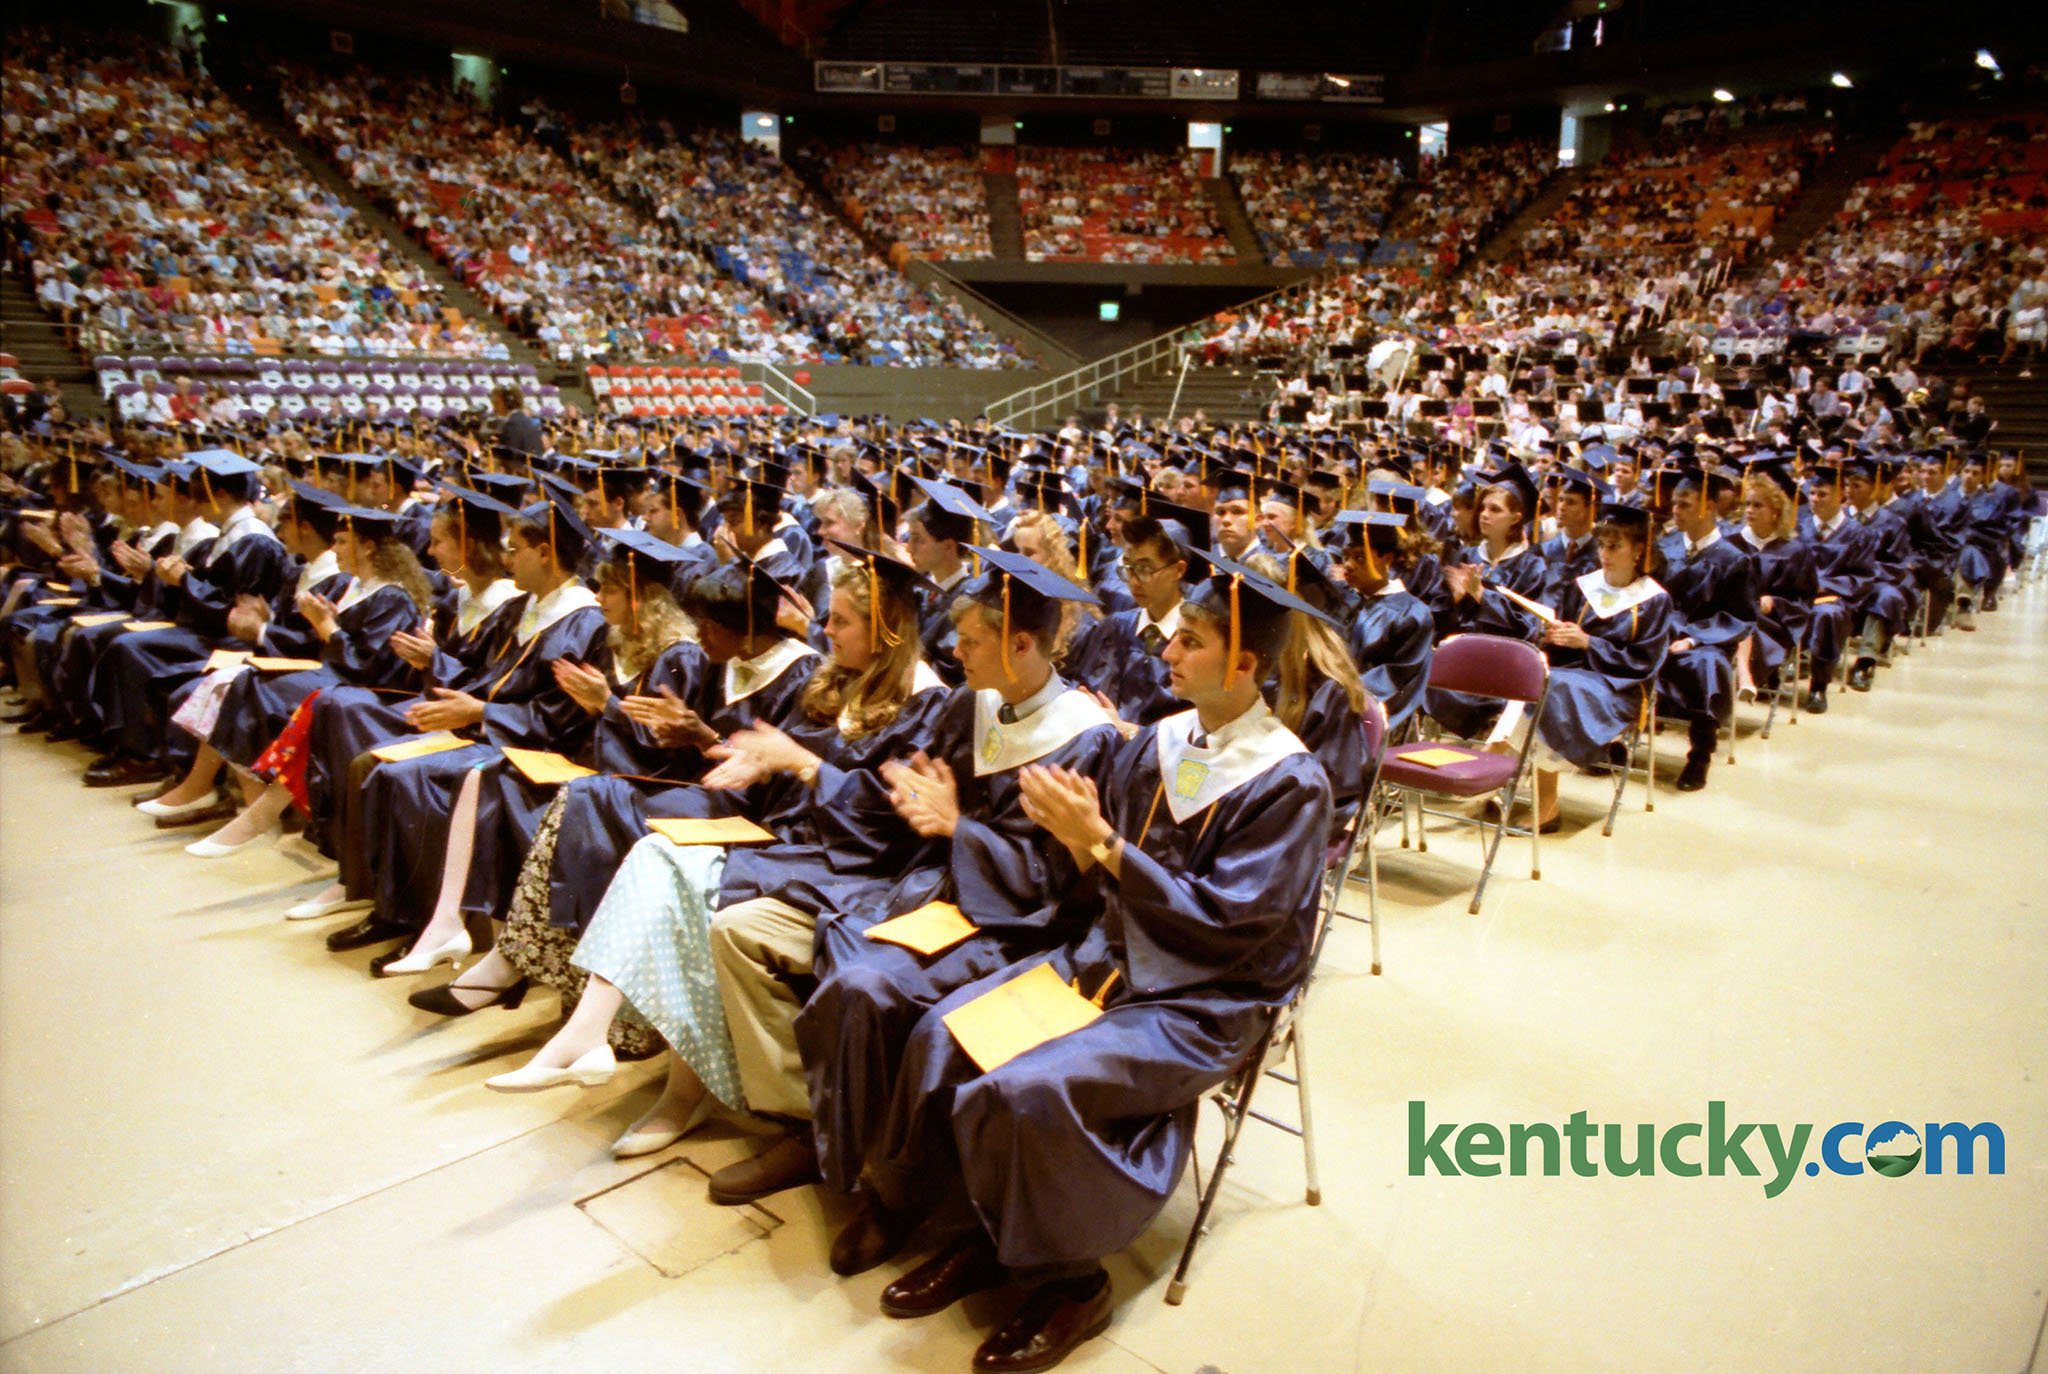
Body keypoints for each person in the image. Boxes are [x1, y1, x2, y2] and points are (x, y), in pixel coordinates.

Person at [822, 557, 1334, 1374]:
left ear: (1246, 664)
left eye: (1191, 643)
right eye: (1174, 640)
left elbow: (1230, 925)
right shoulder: (1161, 740)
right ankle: (965, 1224)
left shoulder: (1290, 781)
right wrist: (1078, 843)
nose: (1167, 655)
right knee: (943, 1033)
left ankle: (1068, 1282)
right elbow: (1095, 870)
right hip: (1107, 954)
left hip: (1203, 1001)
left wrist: (1101, 844)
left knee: (1027, 1089)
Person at [1517, 502, 1673, 831]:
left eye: (1615, 546)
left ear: (1638, 550)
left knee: (1551, 688)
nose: (1604, 552)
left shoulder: (1654, 599)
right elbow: (1563, 639)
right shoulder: (1585, 586)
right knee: (1538, 681)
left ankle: (1531, 794)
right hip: (1572, 677)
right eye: (1602, 544)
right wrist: (1552, 634)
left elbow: (1645, 662)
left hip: (1619, 689)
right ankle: (1525, 791)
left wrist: (1589, 643)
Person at [1655, 468, 1757, 793]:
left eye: (1685, 504)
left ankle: (1700, 753)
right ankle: (1615, 736)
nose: (1675, 511)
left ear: (1708, 507)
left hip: (1708, 641)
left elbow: (1738, 616)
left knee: (1706, 665)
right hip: (1663, 635)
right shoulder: (1664, 547)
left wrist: (1692, 638)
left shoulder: (1735, 558)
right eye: (1674, 503)